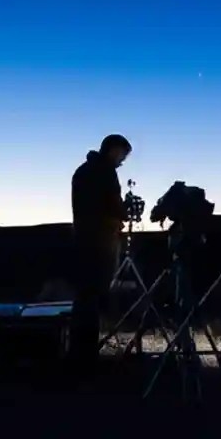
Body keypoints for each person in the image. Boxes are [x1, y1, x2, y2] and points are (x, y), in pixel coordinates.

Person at [68, 133, 132, 374]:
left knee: (84, 298)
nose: (122, 161)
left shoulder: (83, 171)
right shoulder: (105, 172)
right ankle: (86, 359)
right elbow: (112, 205)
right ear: (114, 150)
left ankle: (79, 353)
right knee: (94, 296)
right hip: (100, 243)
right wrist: (125, 211)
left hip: (83, 241)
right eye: (122, 155)